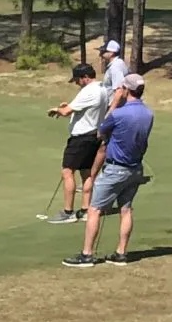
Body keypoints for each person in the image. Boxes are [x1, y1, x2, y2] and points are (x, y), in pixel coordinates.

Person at [66, 71, 153, 266]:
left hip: (116, 168)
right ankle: (121, 253)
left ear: (127, 90)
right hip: (136, 168)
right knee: (126, 209)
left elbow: (101, 130)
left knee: (95, 210)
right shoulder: (148, 113)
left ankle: (87, 254)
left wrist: (115, 103)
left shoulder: (120, 114)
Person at [45, 61, 106, 224]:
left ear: (85, 77)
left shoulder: (89, 91)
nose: (77, 84)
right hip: (94, 136)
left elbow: (66, 111)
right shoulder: (103, 89)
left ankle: (68, 212)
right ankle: (86, 210)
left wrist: (57, 109)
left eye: (78, 80)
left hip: (81, 138)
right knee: (86, 172)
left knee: (67, 171)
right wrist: (68, 106)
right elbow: (79, 108)